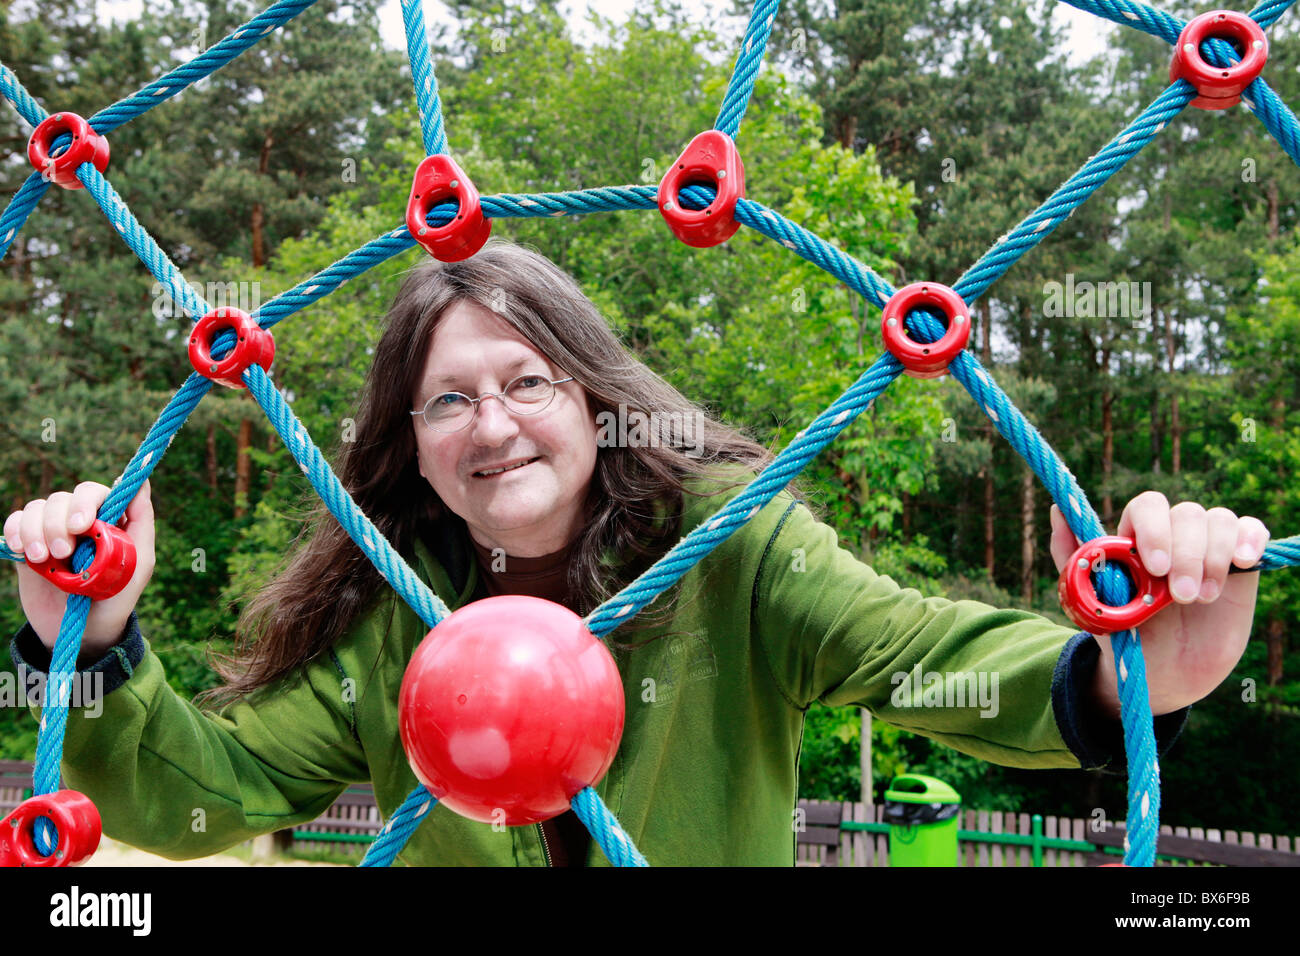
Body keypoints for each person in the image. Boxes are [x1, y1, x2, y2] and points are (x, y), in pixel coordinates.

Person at [5, 240, 1270, 866]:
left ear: (596, 398)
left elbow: (922, 654)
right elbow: (196, 797)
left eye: (526, 380)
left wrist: (1130, 660)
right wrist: (96, 633)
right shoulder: (400, 612)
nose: (490, 423)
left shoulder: (730, 547)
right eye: (447, 401)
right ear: (410, 442)